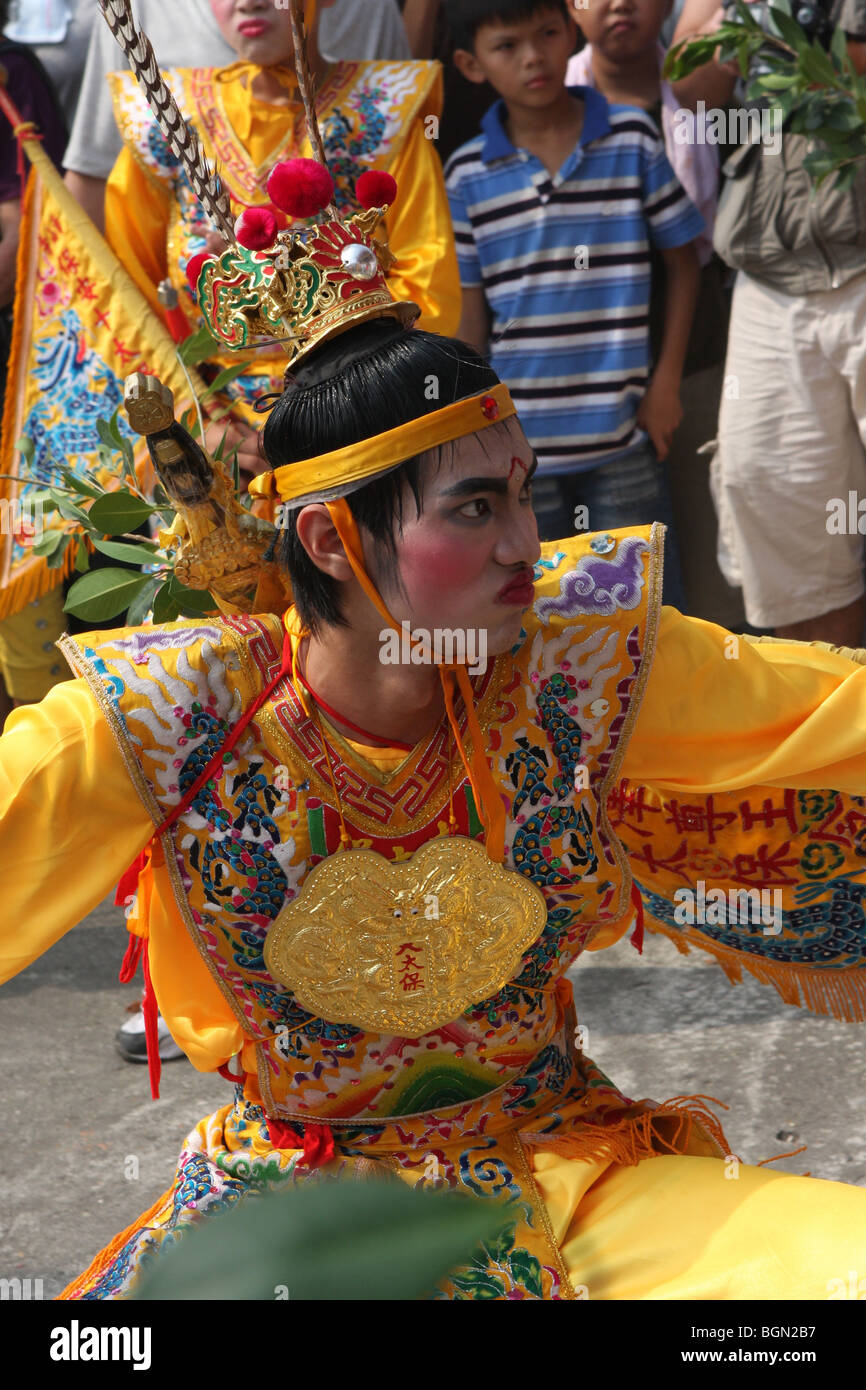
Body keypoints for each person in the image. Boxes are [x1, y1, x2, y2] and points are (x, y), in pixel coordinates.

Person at [3, 38, 866, 1298]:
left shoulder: (581, 655)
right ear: (328, 539)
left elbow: (831, 713)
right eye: (471, 510)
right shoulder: (171, 717)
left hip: (564, 1166)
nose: (527, 544)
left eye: (521, 493)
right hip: (301, 1210)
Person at [103, 0, 460, 488]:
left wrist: (348, 407)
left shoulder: (387, 109)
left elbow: (426, 280)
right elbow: (127, 291)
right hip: (214, 441)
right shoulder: (163, 117)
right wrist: (188, 419)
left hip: (360, 427)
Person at [443, 0, 702, 611]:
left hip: (626, 435)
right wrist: (467, 425)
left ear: (571, 33)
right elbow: (473, 317)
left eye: (547, 34)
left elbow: (684, 265)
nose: (534, 56)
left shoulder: (631, 137)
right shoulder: (466, 175)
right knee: (550, 618)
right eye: (507, 46)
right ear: (470, 65)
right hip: (519, 457)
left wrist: (666, 385)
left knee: (650, 613)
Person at [673, 0, 866, 646]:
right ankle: (829, 739)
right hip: (771, 275)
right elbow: (688, 83)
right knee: (789, 542)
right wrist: (752, 18)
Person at [564, 0, 742, 627]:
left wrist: (666, 383)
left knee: (719, 545)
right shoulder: (548, 110)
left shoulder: (708, 105)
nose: (619, 4)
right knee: (620, 583)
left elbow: (692, 260)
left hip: (699, 360)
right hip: (589, 391)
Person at [64, 0, 411, 231]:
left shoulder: (384, 100)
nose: (249, 3)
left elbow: (421, 257)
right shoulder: (156, 107)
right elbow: (131, 260)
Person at [0, 0, 70, 727]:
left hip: (19, 364)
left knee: (24, 546)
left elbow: (24, 219)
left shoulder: (13, 76)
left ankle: (39, 745)